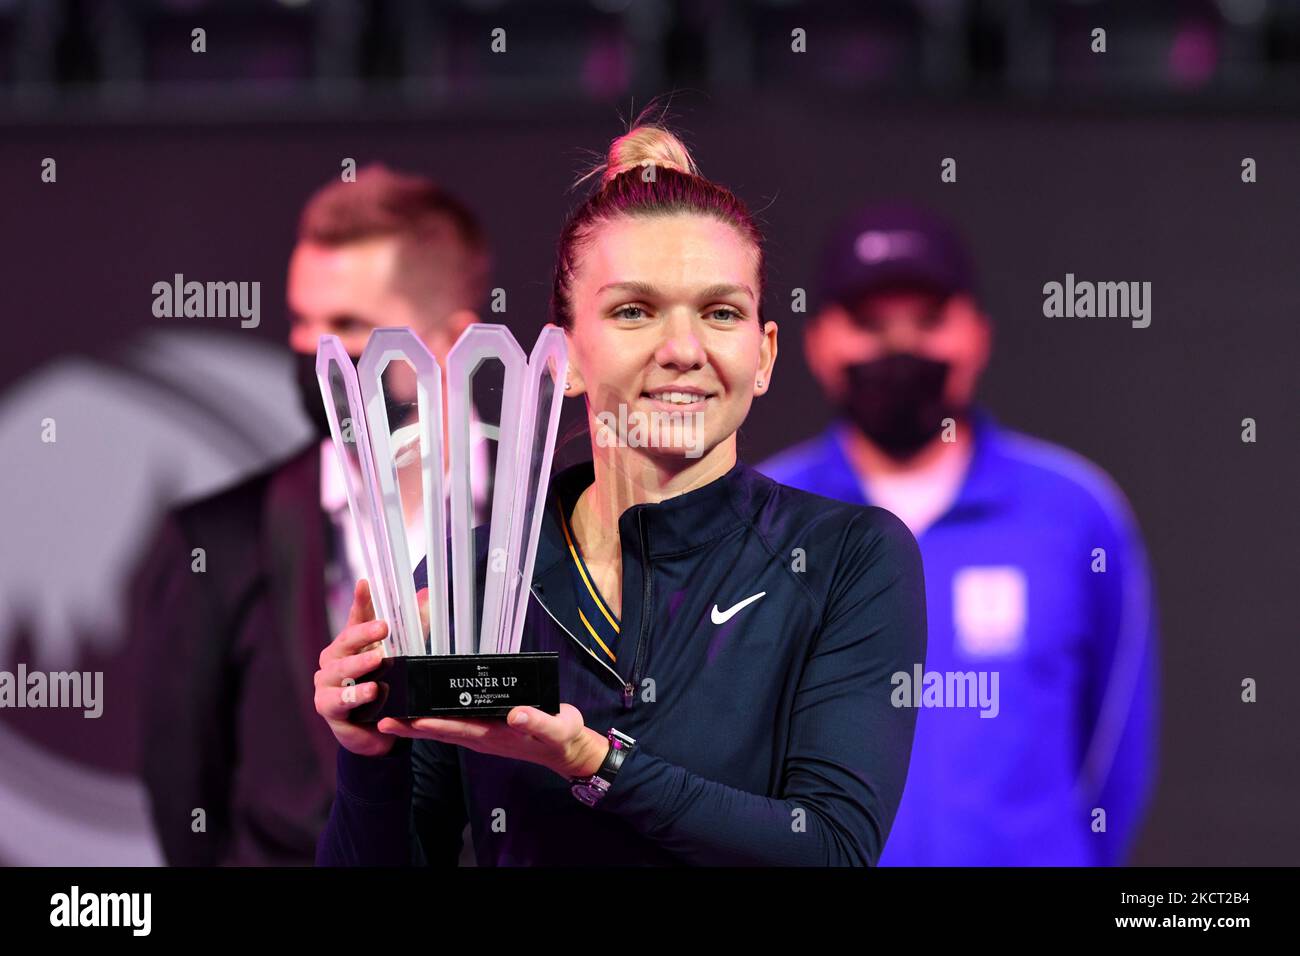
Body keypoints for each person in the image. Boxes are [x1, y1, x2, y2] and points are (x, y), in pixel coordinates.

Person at [313, 121, 928, 866]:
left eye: (720, 312)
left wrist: (595, 762)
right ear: (562, 358)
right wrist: (366, 754)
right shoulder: (470, 577)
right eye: (634, 310)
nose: (682, 348)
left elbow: (831, 849)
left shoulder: (846, 559)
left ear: (763, 356)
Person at [759, 203, 1158, 866]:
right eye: (869, 324)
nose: (899, 349)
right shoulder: (762, 518)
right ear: (816, 342)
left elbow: (1115, 745)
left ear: (977, 334)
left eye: (928, 320)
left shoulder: (1077, 511)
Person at [131, 165, 491, 865]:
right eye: (302, 320)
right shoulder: (215, 543)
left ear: (451, 342)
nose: (314, 351)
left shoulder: (560, 517)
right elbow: (186, 803)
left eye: (349, 325)